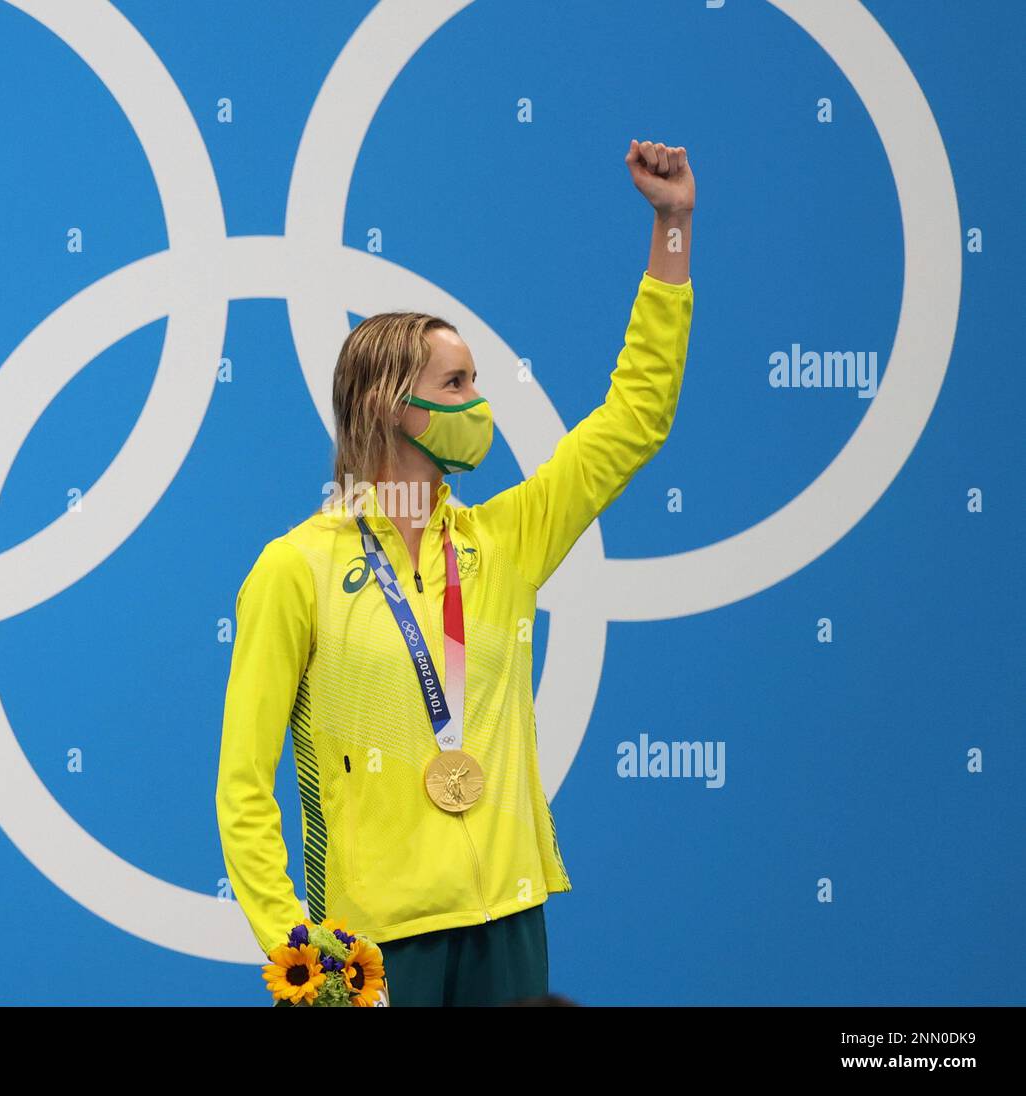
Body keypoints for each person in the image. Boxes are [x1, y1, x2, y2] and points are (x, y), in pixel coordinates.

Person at [216, 138, 695, 1006]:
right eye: (458, 381)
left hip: (509, 920)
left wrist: (671, 229)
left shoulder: (507, 539)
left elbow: (638, 415)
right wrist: (300, 951)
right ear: (388, 406)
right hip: (374, 944)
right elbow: (244, 789)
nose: (479, 404)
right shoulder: (294, 571)